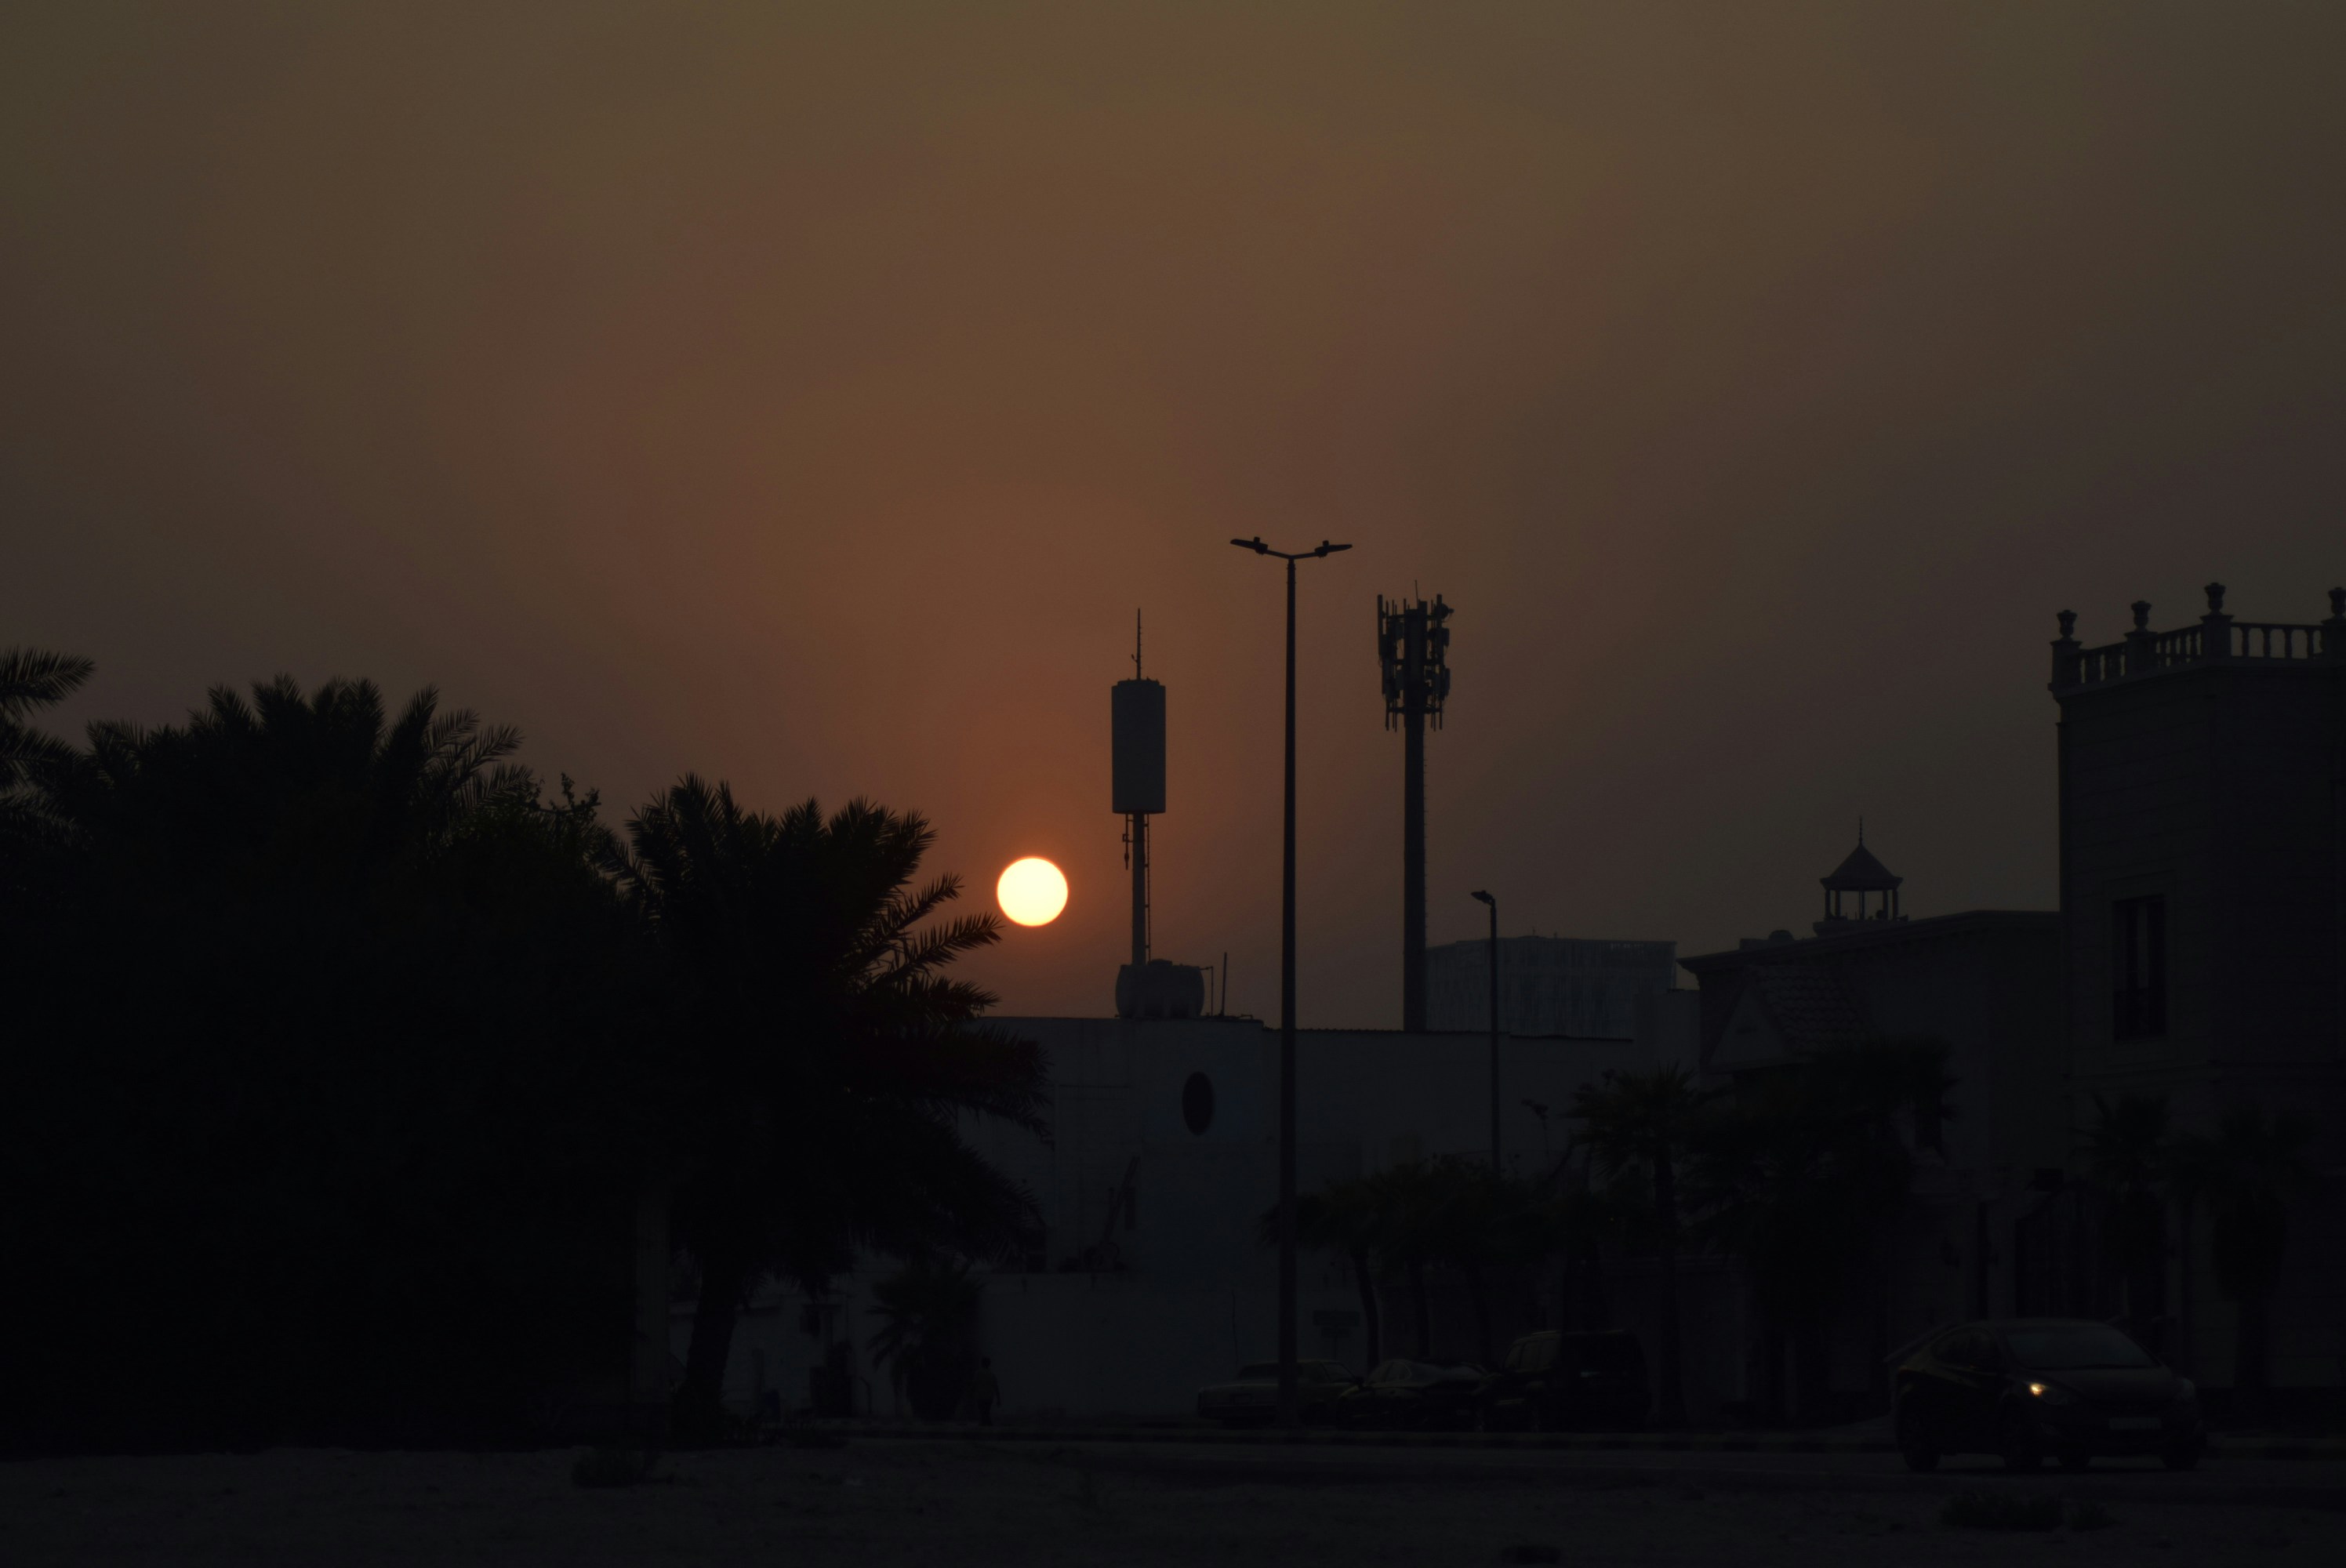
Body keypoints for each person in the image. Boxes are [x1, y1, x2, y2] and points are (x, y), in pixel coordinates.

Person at [971, 1357, 1000, 1427]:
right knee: (986, 1412)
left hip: (980, 1396)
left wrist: (972, 1393)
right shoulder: (991, 1374)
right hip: (989, 1396)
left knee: (983, 1412)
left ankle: (984, 1425)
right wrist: (999, 1399)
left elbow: (974, 1384)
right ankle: (987, 1425)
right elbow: (996, 1387)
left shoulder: (978, 1373)